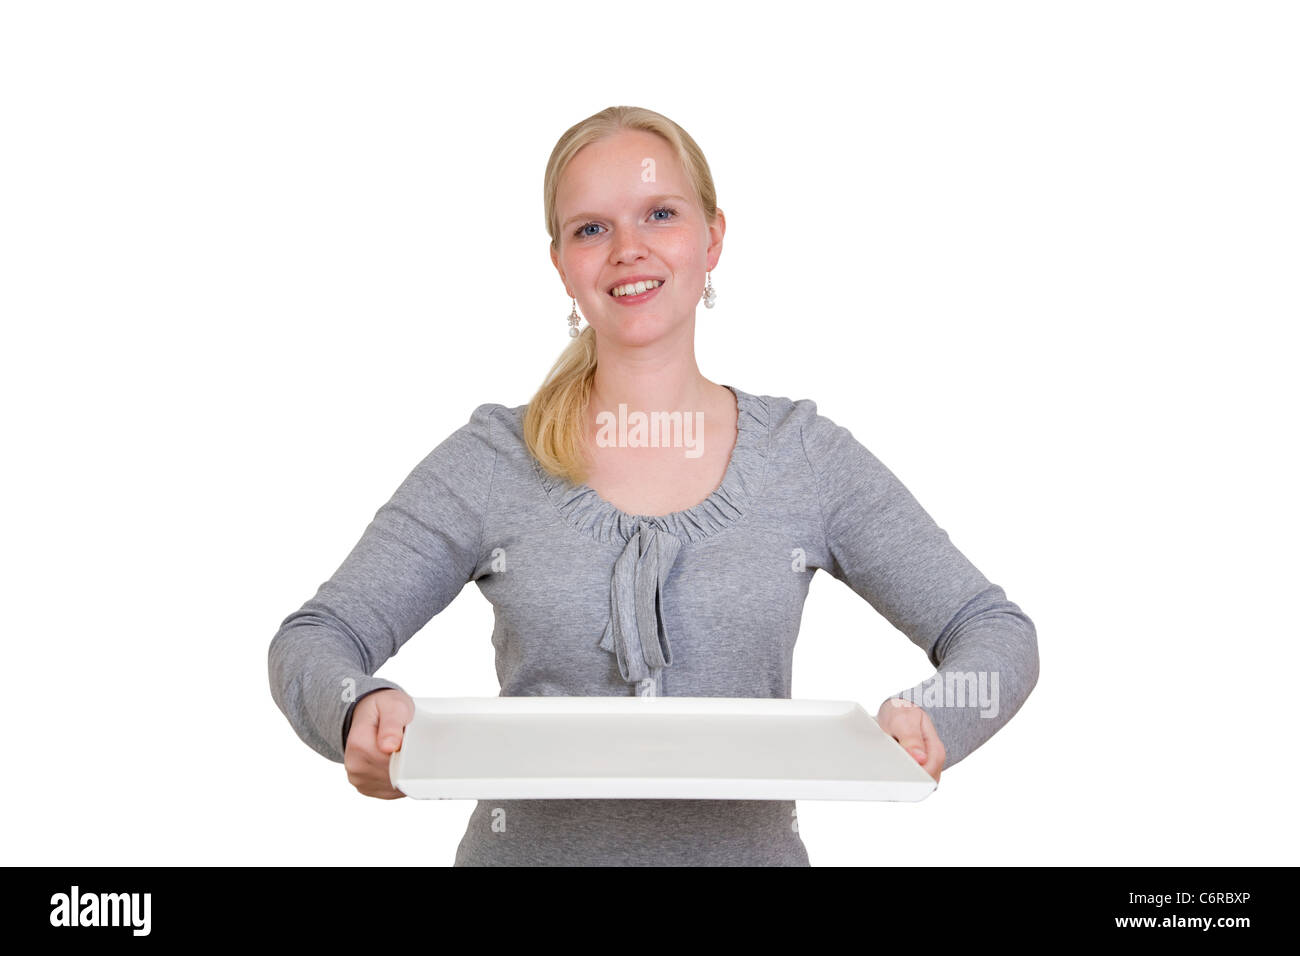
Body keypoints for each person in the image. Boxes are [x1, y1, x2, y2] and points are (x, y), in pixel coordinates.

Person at [267, 105, 1040, 866]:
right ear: (562, 265)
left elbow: (995, 632)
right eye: (592, 229)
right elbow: (315, 641)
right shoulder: (490, 460)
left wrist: (939, 721)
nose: (627, 250)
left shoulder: (802, 456)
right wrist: (353, 710)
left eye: (660, 214)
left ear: (714, 239)